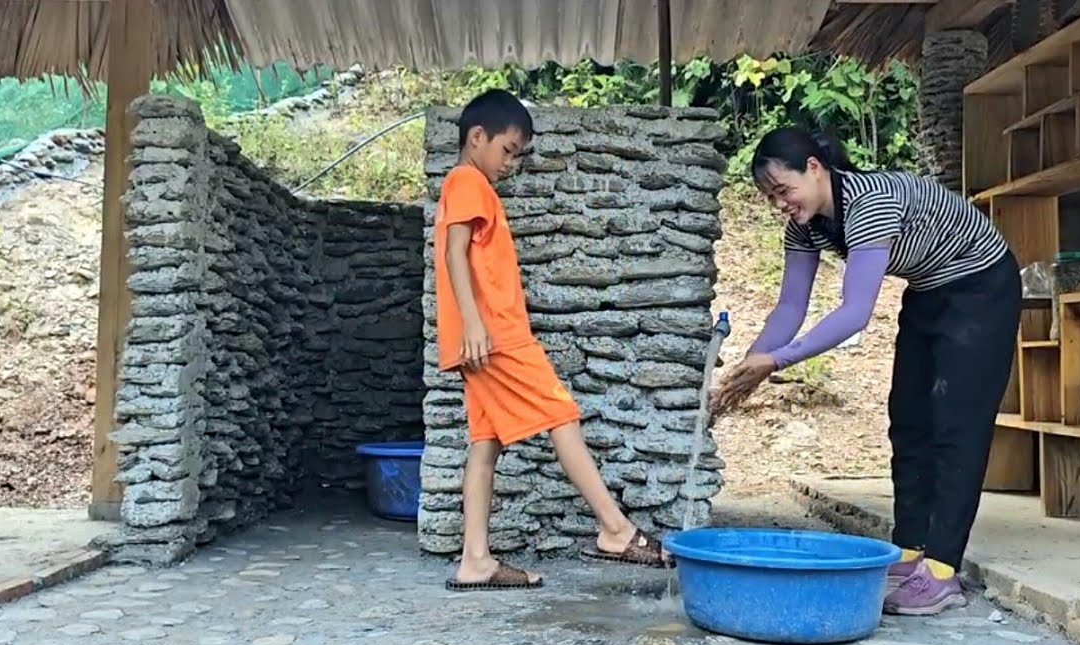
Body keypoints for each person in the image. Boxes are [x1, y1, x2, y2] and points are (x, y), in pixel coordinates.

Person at [710, 126, 1021, 616]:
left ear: (814, 168)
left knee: (956, 425)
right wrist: (752, 365)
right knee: (909, 420)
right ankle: (910, 550)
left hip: (981, 286)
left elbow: (855, 314)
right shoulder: (805, 225)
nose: (779, 205)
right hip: (928, 289)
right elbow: (791, 306)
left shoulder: (870, 202)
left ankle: (942, 571)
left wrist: (776, 361)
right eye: (770, 197)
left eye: (783, 191)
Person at [434, 89, 672, 592]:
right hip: (496, 336)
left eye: (519, 155)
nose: (512, 164)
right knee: (561, 413)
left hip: (483, 338)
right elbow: (456, 254)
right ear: (478, 138)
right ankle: (615, 529)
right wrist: (475, 324)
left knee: (485, 442)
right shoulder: (467, 181)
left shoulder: (467, 184)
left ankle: (475, 559)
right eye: (508, 150)